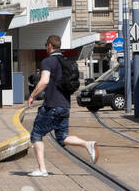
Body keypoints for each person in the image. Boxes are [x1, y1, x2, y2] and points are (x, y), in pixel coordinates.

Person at [25, 34, 98, 176]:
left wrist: (32, 95)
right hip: (65, 105)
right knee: (63, 137)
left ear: (49, 45)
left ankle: (42, 169)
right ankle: (87, 144)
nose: (46, 47)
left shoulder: (48, 62)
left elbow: (44, 81)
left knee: (36, 134)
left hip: (52, 106)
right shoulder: (66, 60)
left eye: (46, 45)